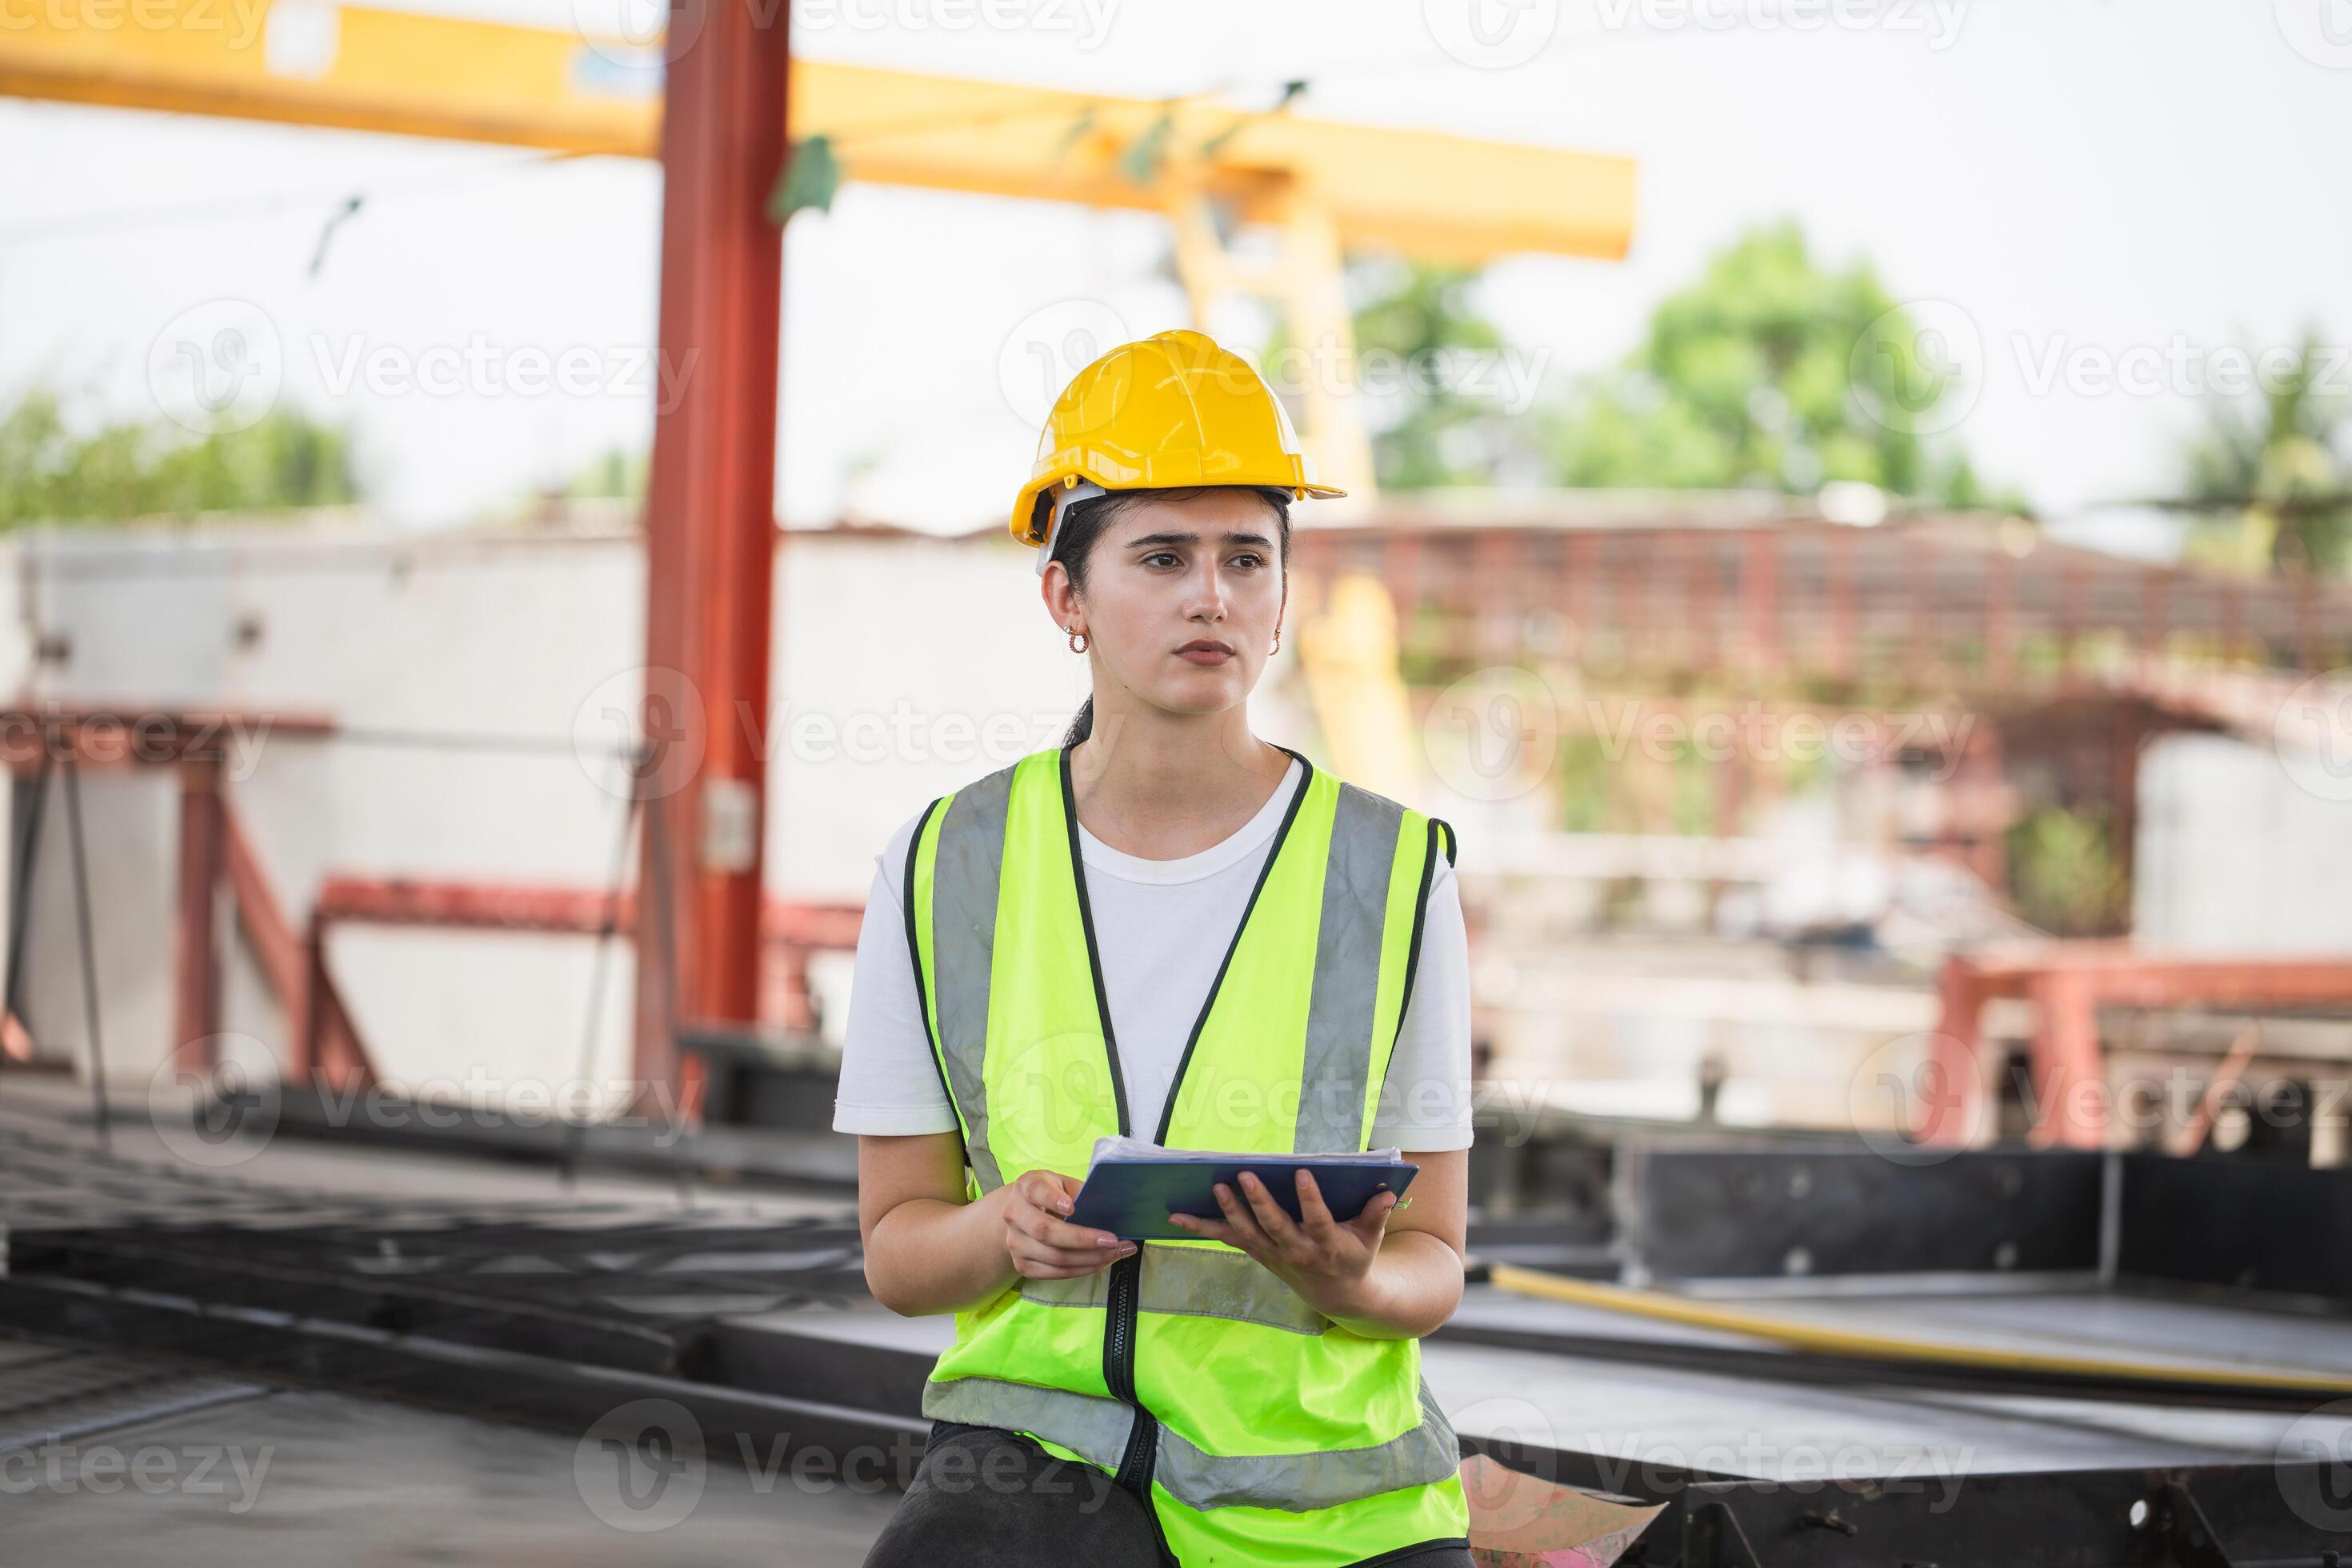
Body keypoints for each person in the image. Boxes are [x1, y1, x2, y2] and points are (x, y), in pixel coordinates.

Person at [837, 329, 1476, 1567]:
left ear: (1284, 596)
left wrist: (1350, 1284)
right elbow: (899, 1252)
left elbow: (1435, 1258)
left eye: (1248, 558)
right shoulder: (945, 865)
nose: (1212, 596)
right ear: (1065, 596)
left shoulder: (1393, 874)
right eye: (1163, 557)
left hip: (1329, 1504)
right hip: (1043, 1462)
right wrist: (998, 1234)